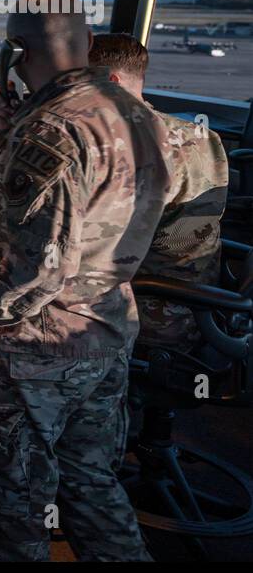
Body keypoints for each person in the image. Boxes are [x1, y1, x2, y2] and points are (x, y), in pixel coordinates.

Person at [0, 0, 173, 562]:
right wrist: (10, 130)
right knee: (90, 486)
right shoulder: (135, 114)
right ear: (84, 40)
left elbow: (37, 267)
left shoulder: (51, 130)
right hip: (104, 331)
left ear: (16, 52)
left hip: (36, 349)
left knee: (10, 501)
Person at [89, 33, 228, 350]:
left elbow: (86, 242)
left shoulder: (127, 150)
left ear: (111, 82)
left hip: (153, 308)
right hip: (200, 296)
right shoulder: (202, 136)